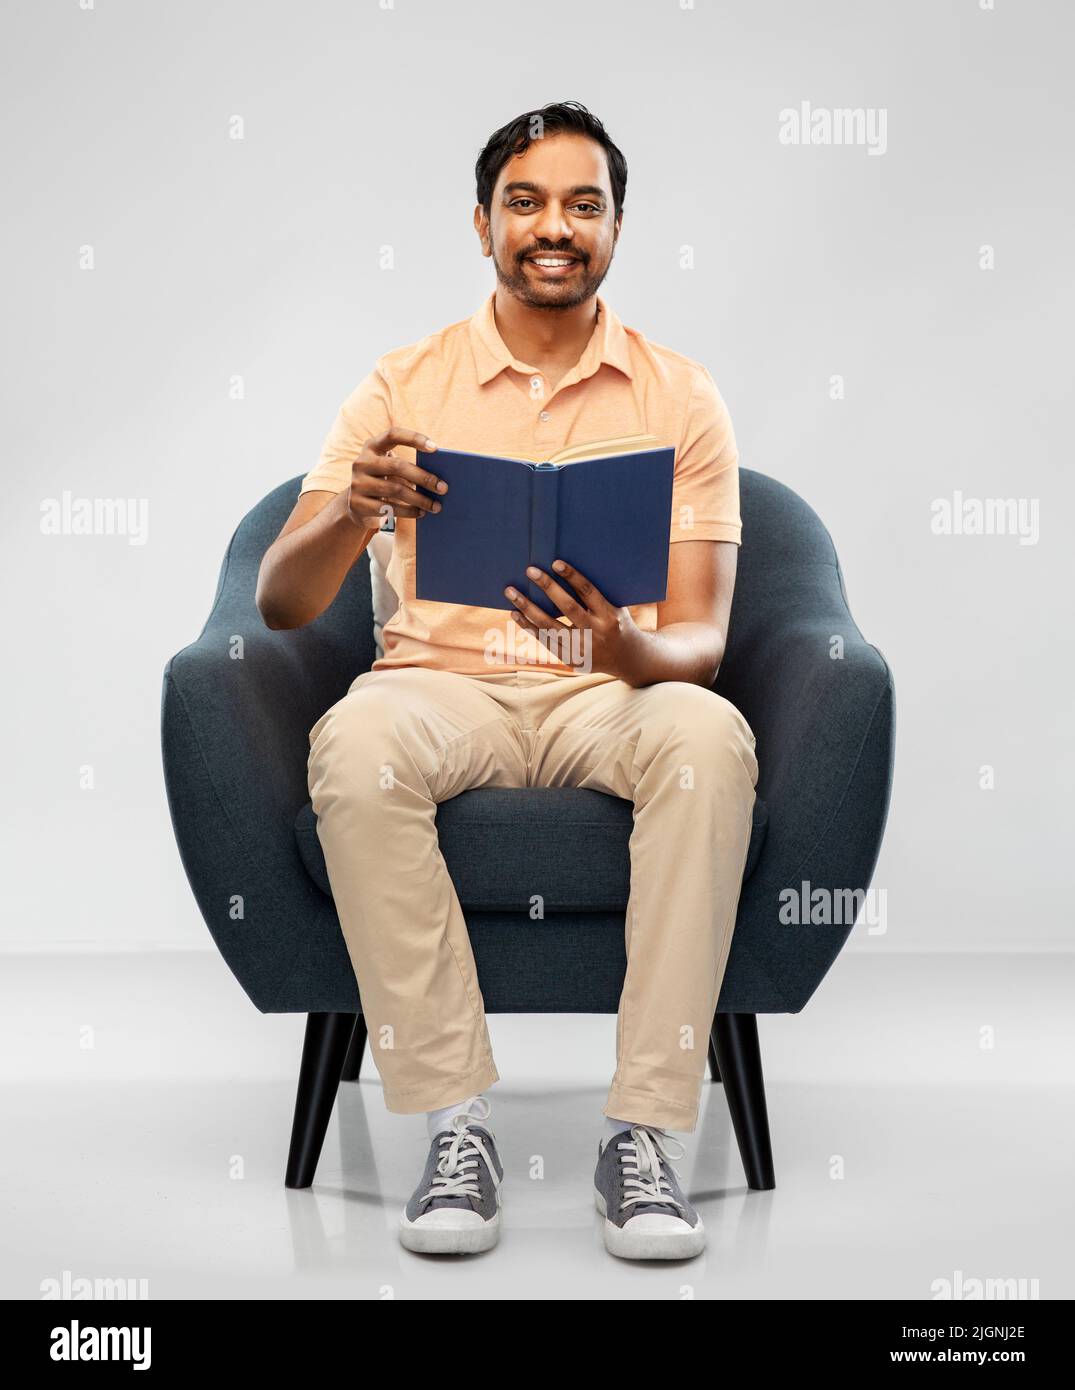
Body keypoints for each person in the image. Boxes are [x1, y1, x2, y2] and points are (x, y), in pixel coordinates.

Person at [256, 101, 758, 1260]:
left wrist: (627, 651)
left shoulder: (681, 396)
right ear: (481, 222)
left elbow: (703, 639)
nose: (554, 226)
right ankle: (451, 1125)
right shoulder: (402, 382)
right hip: (440, 685)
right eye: (525, 201)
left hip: (607, 689)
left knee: (709, 736)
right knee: (354, 745)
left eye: (584, 204)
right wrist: (352, 507)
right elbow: (282, 603)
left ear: (618, 228)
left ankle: (641, 1137)